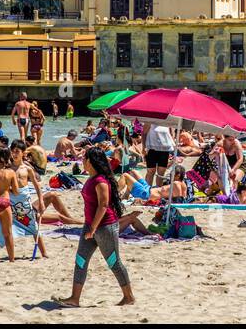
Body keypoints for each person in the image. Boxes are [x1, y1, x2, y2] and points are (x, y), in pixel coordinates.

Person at [53, 149, 134, 308]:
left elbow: (103, 206)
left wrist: (93, 228)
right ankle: (74, 299)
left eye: (84, 158)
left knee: (114, 262)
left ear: (91, 161)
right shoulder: (91, 178)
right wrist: (89, 227)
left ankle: (129, 297)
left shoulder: (100, 181)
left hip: (104, 228)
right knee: (80, 260)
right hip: (90, 226)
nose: (82, 161)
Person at [143, 121, 175, 187]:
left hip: (165, 150)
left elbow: (171, 134)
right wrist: (143, 147)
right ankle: (147, 192)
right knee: (151, 172)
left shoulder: (168, 120)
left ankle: (158, 192)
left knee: (161, 173)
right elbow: (144, 133)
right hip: (152, 149)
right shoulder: (150, 119)